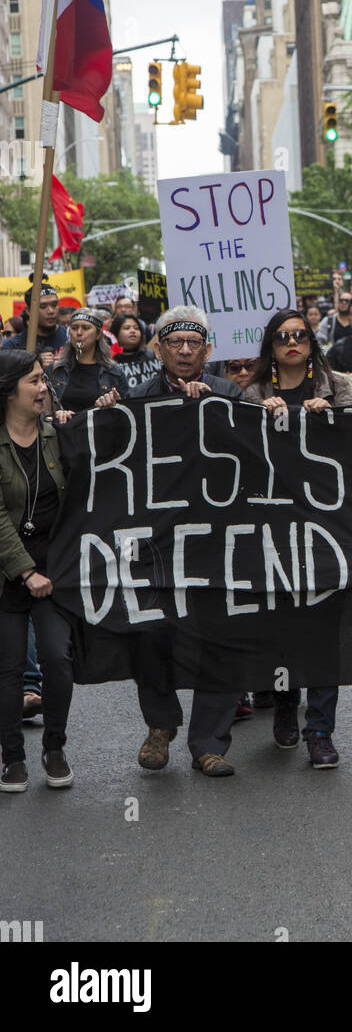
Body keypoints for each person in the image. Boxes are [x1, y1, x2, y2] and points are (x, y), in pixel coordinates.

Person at [126, 306, 242, 776]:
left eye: (194, 343)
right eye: (176, 343)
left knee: (220, 634)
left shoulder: (228, 391)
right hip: (157, 542)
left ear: (208, 349)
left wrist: (214, 406)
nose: (186, 351)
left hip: (217, 539)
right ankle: (160, 724)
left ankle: (209, 742)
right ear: (159, 348)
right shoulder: (138, 396)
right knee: (151, 631)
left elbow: (249, 452)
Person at [243, 308, 351, 767]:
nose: (292, 342)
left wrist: (333, 419)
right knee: (282, 628)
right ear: (270, 345)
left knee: (324, 630)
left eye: (301, 336)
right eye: (283, 336)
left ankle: (320, 730)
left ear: (311, 342)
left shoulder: (338, 387)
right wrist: (256, 416)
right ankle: (286, 705)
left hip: (327, 524)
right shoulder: (251, 393)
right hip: (272, 526)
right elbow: (237, 459)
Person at [0, 351, 73, 792]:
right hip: (9, 575)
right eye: (33, 381)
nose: (44, 387)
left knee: (58, 662)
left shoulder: (57, 435)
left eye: (44, 380)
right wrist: (26, 572)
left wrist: (101, 414)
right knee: (8, 669)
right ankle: (12, 757)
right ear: (10, 390)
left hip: (55, 571)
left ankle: (55, 747)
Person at [48, 310, 129, 418]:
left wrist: (115, 404)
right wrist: (57, 414)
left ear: (98, 334)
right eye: (74, 328)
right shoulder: (55, 369)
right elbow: (42, 411)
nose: (79, 333)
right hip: (62, 432)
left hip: (98, 432)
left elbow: (127, 414)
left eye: (86, 328)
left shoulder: (114, 372)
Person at [2, 284, 68, 363]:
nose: (51, 311)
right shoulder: (13, 347)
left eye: (54, 305)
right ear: (28, 311)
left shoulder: (71, 337)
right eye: (43, 306)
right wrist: (34, 364)